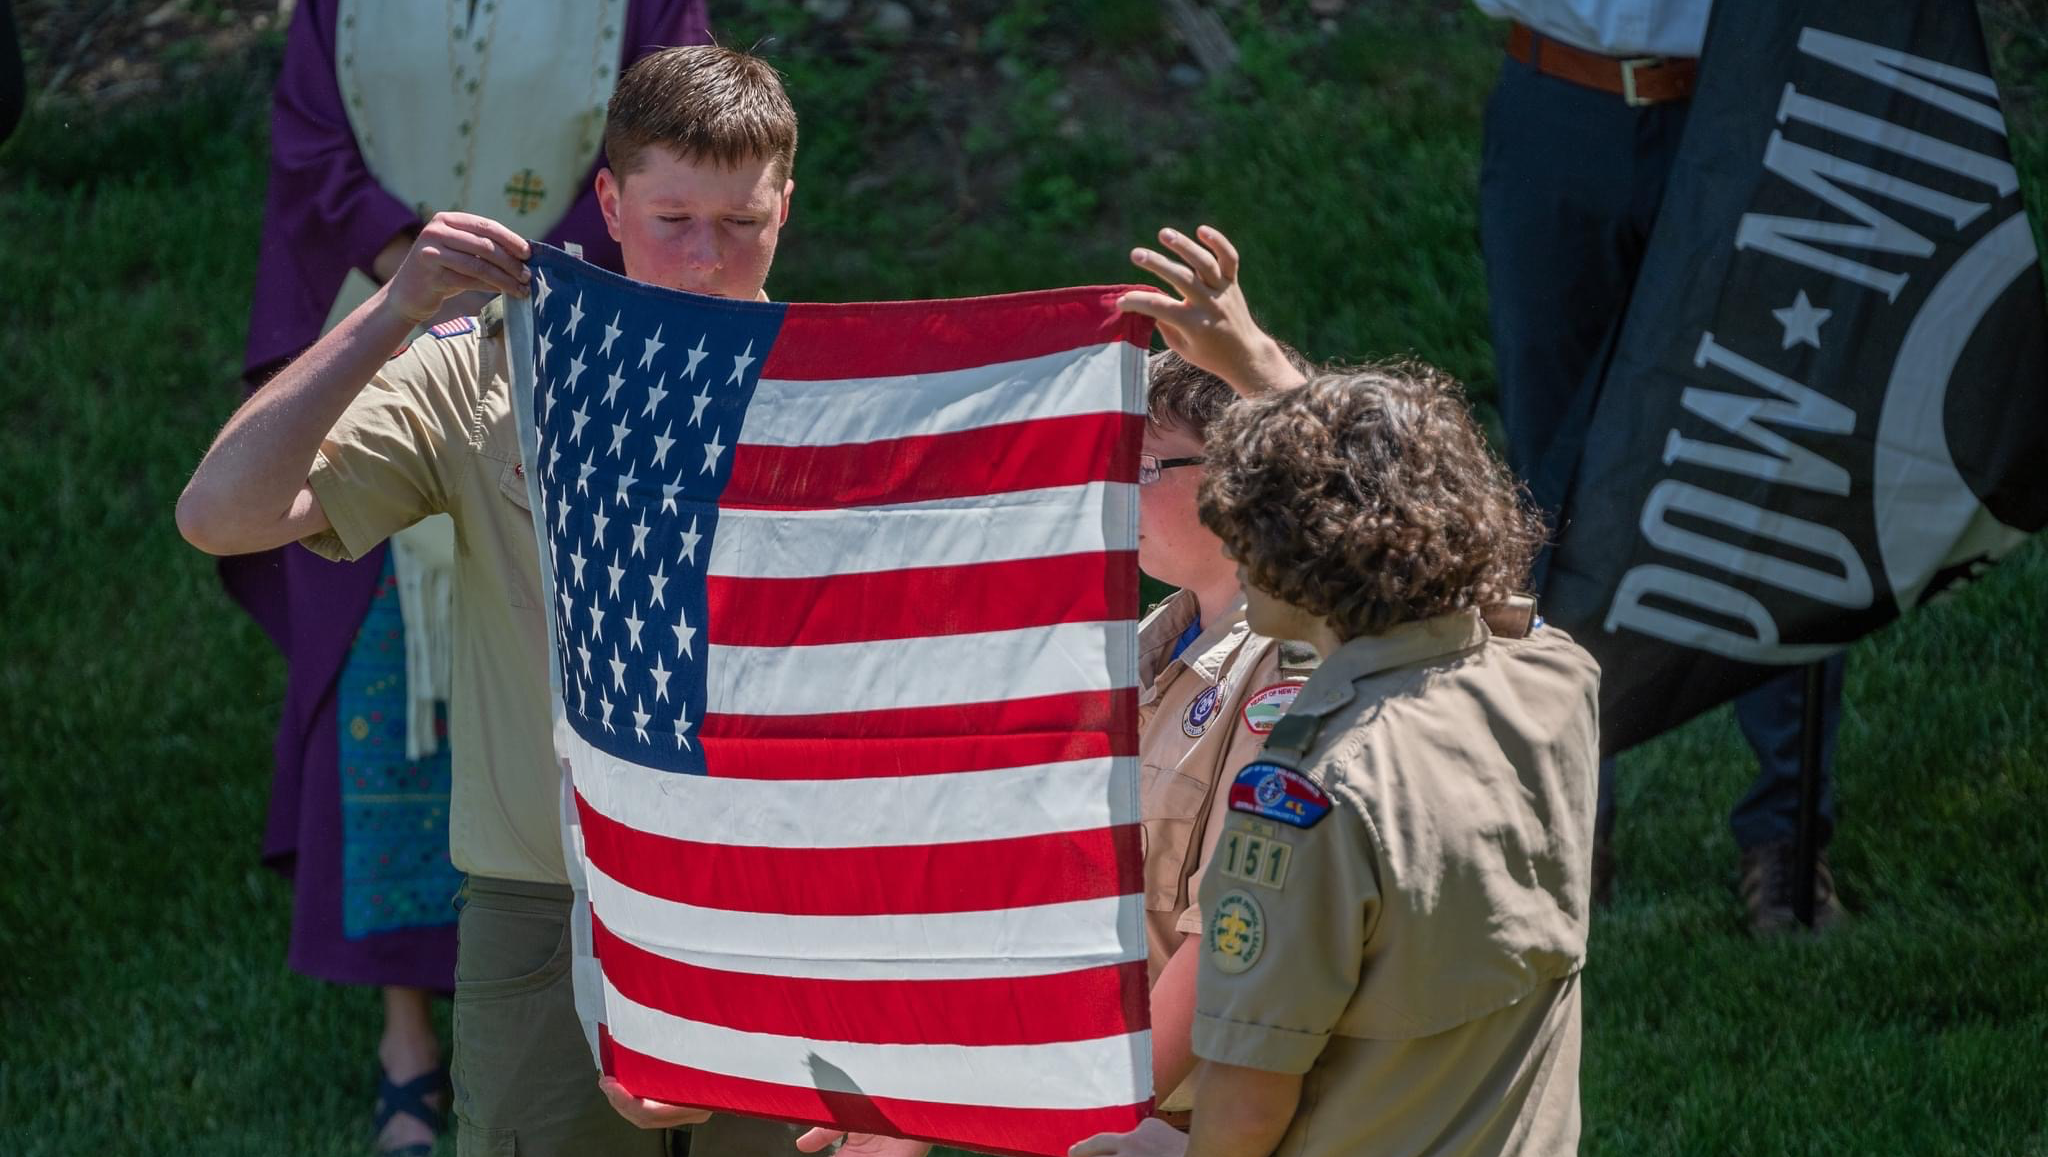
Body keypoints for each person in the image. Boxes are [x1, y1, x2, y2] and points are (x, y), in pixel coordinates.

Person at [180, 44, 805, 1157]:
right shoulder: (487, 367)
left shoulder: (849, 393)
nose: (709, 258)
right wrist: (389, 315)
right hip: (541, 901)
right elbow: (222, 512)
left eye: (743, 221)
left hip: (773, 900)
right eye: (673, 219)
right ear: (606, 201)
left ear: (787, 204)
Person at [1071, 361, 1601, 1157]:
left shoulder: (1301, 797)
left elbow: (1246, 1099)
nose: (1235, 519)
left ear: (1318, 532)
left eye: (1259, 501)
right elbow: (1463, 580)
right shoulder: (1556, 675)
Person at [1472, 0, 1847, 931]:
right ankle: (1564, 822)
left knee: (1773, 462)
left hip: (1753, 105)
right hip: (1555, 97)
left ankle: (1787, 838)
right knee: (1549, 483)